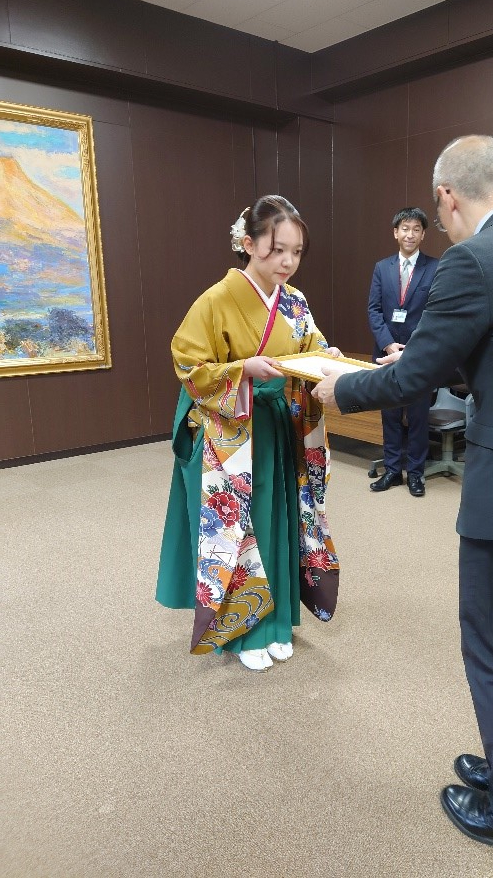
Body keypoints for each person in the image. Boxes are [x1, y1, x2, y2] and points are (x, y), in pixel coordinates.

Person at [313, 137, 493, 861]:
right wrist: (432, 359)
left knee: (492, 654)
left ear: (446, 197)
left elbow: (413, 380)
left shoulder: (472, 260)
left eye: (435, 210)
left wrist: (338, 386)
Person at [156, 196, 340, 672]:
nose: (288, 262)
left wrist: (328, 357)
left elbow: (312, 346)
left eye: (296, 252)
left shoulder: (294, 301)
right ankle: (243, 635)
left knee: (278, 517)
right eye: (278, 249)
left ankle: (276, 624)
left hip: (276, 424)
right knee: (242, 526)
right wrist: (242, 369)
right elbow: (187, 363)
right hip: (231, 429)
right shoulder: (216, 300)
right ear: (248, 242)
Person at [367, 207, 438, 497]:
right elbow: (373, 310)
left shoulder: (435, 267)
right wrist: (387, 343)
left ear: (423, 234)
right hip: (386, 354)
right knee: (391, 415)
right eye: (404, 228)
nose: (410, 234)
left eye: (416, 229)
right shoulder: (382, 267)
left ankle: (416, 474)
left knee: (419, 416)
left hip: (418, 356)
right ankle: (394, 470)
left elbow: (436, 313)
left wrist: (413, 348)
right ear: (395, 233)